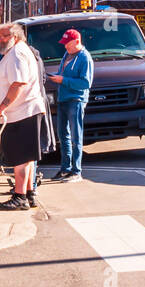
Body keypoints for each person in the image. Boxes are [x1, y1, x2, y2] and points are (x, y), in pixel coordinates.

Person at [0, 22, 47, 211]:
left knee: (20, 157)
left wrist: (1, 107)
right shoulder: (17, 51)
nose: (1, 39)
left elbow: (18, 83)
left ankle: (20, 195)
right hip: (23, 111)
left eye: (5, 36)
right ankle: (28, 193)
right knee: (26, 157)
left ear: (16, 37)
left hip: (20, 112)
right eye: (0, 35)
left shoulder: (17, 53)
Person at [47, 28, 93, 183]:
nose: (65, 46)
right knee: (63, 135)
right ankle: (65, 168)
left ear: (77, 42)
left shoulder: (85, 58)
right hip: (63, 99)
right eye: (64, 43)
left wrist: (63, 80)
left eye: (68, 43)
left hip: (76, 100)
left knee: (76, 136)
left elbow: (86, 83)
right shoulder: (67, 54)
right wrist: (58, 78)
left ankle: (76, 171)